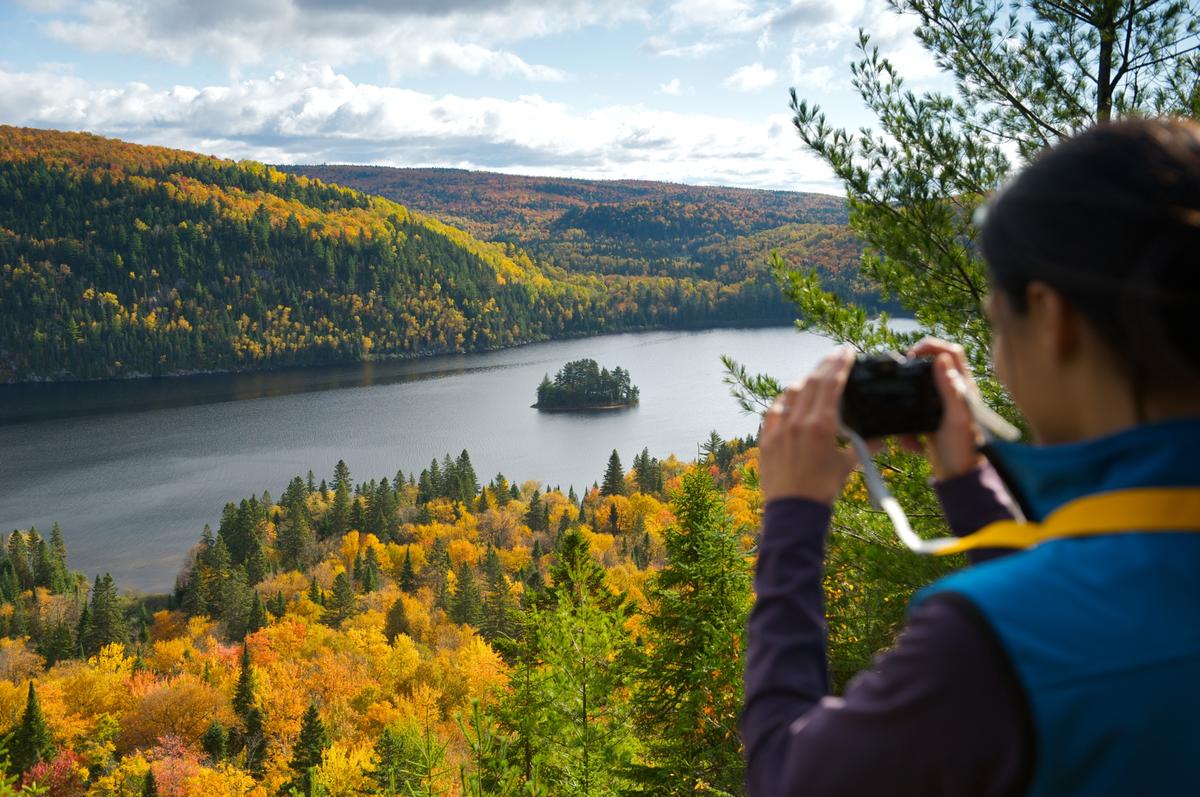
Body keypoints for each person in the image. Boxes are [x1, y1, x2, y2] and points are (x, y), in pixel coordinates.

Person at [741, 117, 1200, 796]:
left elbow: (788, 776)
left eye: (995, 323)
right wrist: (968, 480)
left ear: (1052, 317)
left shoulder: (981, 645)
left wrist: (792, 517)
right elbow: (1105, 611)